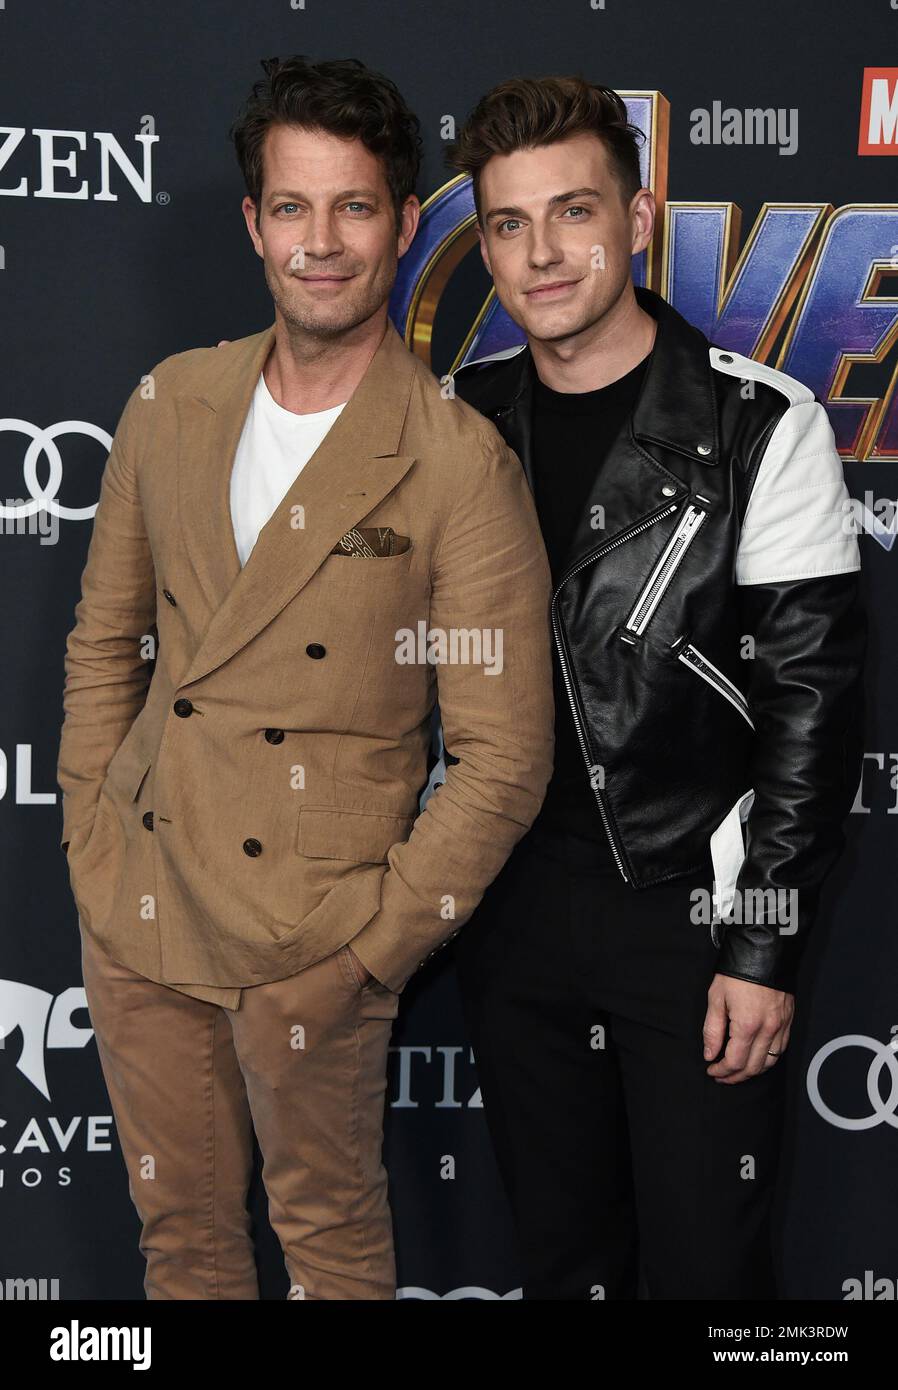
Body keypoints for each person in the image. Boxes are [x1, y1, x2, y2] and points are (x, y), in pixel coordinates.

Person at [57, 55, 554, 1300]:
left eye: (352, 207)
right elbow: (104, 646)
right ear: (252, 223)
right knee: (182, 1250)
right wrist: (93, 842)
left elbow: (501, 754)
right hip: (145, 906)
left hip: (313, 937)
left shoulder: (456, 465)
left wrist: (368, 953)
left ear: (400, 222)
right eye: (292, 207)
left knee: (331, 1253)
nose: (320, 243)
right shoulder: (171, 404)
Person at [446, 75, 866, 1300]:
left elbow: (813, 719)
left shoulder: (757, 426)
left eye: (573, 212)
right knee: (564, 1266)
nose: (541, 253)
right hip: (511, 910)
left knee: (707, 1275)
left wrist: (763, 951)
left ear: (637, 218)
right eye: (510, 224)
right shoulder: (459, 425)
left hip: (691, 918)